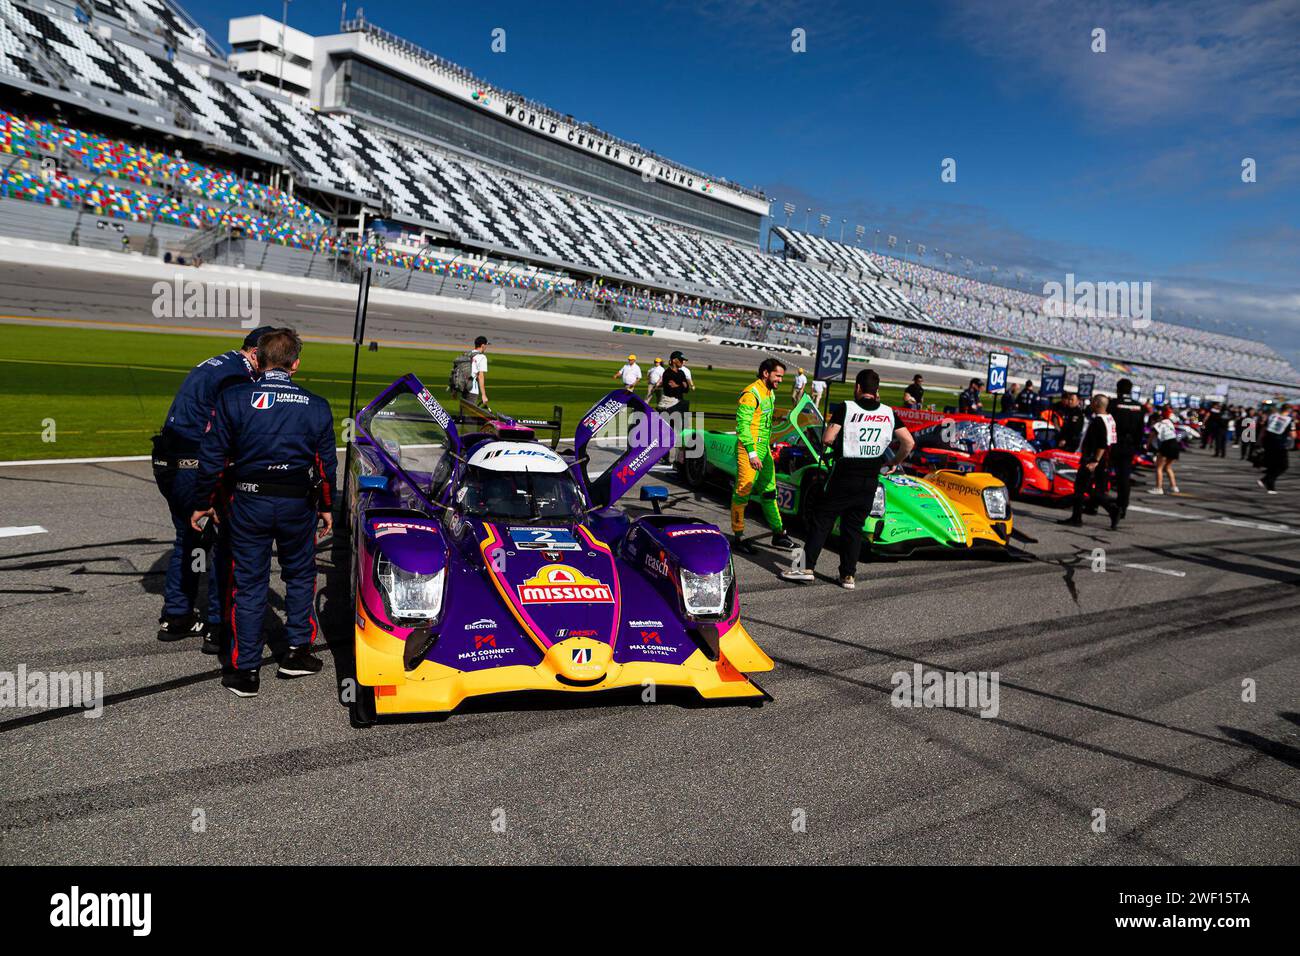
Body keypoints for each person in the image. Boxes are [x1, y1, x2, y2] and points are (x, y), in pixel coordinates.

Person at [190, 329, 337, 698]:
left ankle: (245, 670)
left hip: (248, 502)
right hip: (297, 505)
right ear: (296, 364)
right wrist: (327, 506)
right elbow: (325, 465)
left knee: (249, 584)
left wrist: (203, 501)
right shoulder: (317, 404)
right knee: (301, 576)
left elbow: (213, 458)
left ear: (259, 359)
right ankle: (296, 652)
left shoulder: (234, 397)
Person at [152, 325, 271, 649]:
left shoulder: (218, 362)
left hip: (166, 461)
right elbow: (229, 431)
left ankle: (177, 616)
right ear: (257, 354)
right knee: (223, 539)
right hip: (194, 464)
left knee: (188, 536)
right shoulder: (237, 376)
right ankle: (218, 627)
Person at [781, 368, 913, 589]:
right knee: (853, 528)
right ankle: (848, 576)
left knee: (822, 520)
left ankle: (805, 567)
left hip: (844, 474)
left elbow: (827, 438)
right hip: (870, 478)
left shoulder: (847, 407)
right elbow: (908, 443)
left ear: (858, 388)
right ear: (877, 391)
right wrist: (893, 462)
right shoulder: (889, 412)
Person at [731, 358, 795, 554]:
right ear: (766, 373)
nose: (780, 380)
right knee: (743, 492)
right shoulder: (751, 394)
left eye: (782, 377)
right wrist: (751, 453)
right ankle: (738, 536)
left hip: (764, 450)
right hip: (748, 450)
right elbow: (742, 427)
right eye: (778, 376)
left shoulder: (770, 393)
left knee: (769, 492)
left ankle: (778, 533)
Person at [1060, 394, 1120, 529]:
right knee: (1091, 490)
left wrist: (1095, 461)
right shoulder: (1109, 418)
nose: (1090, 404)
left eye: (1092, 402)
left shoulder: (1099, 421)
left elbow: (1102, 444)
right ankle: (1111, 509)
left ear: (1097, 404)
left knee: (1080, 488)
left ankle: (1078, 517)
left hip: (1093, 459)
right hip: (1104, 459)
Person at [1109, 378, 1145, 518]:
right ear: (1130, 390)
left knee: (1103, 474)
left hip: (1113, 444)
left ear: (1118, 389)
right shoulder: (1138, 406)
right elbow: (1140, 430)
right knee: (1124, 477)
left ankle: (1095, 503)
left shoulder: (1113, 404)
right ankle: (1122, 506)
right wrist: (1135, 446)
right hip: (1129, 446)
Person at [1259, 403, 1294, 494]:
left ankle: (1271, 487)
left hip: (1268, 443)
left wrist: (1259, 441)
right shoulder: (1289, 420)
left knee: (1272, 465)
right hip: (1280, 445)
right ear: (1289, 410)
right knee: (1283, 466)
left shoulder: (1272, 416)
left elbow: (1264, 429)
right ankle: (1265, 480)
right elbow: (1293, 435)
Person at [1149, 407, 1181, 494]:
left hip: (1167, 444)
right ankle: (1174, 487)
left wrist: (1147, 446)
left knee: (1159, 467)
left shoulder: (1158, 425)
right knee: (1168, 467)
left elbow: (1151, 436)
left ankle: (1158, 488)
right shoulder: (1169, 422)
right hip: (1175, 444)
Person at [469, 335, 489, 407]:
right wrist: (483, 395)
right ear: (482, 345)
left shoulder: (468, 354)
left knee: (463, 413)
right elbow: (481, 376)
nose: (486, 347)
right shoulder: (482, 357)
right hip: (472, 390)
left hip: (463, 388)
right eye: (486, 345)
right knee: (470, 414)